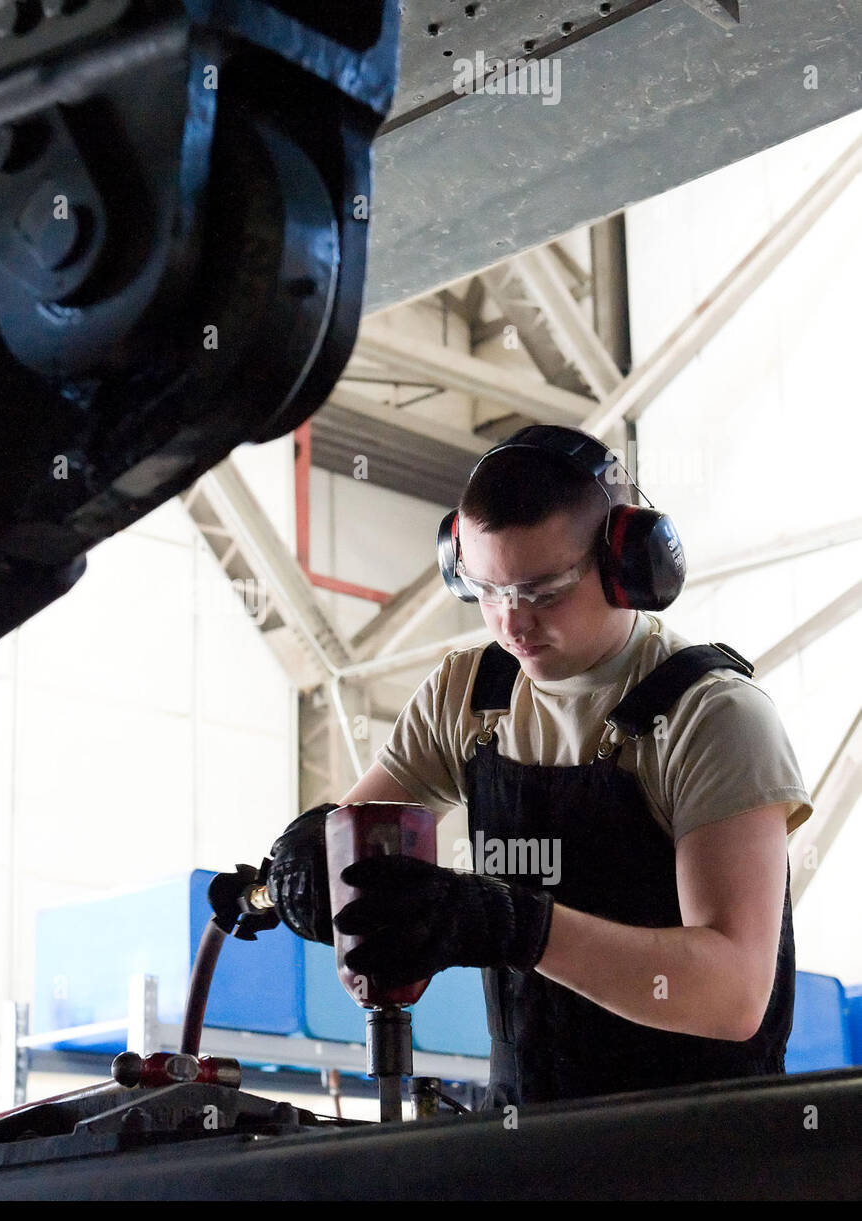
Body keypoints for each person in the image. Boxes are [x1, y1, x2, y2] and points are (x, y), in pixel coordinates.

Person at [264, 424, 813, 1108]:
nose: (511, 622)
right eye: (486, 589)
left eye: (543, 591)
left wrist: (514, 924)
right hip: (533, 1139)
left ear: (627, 563)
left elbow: (732, 994)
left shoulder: (712, 716)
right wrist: (313, 871)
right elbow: (358, 833)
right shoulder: (469, 696)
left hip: (698, 1151)